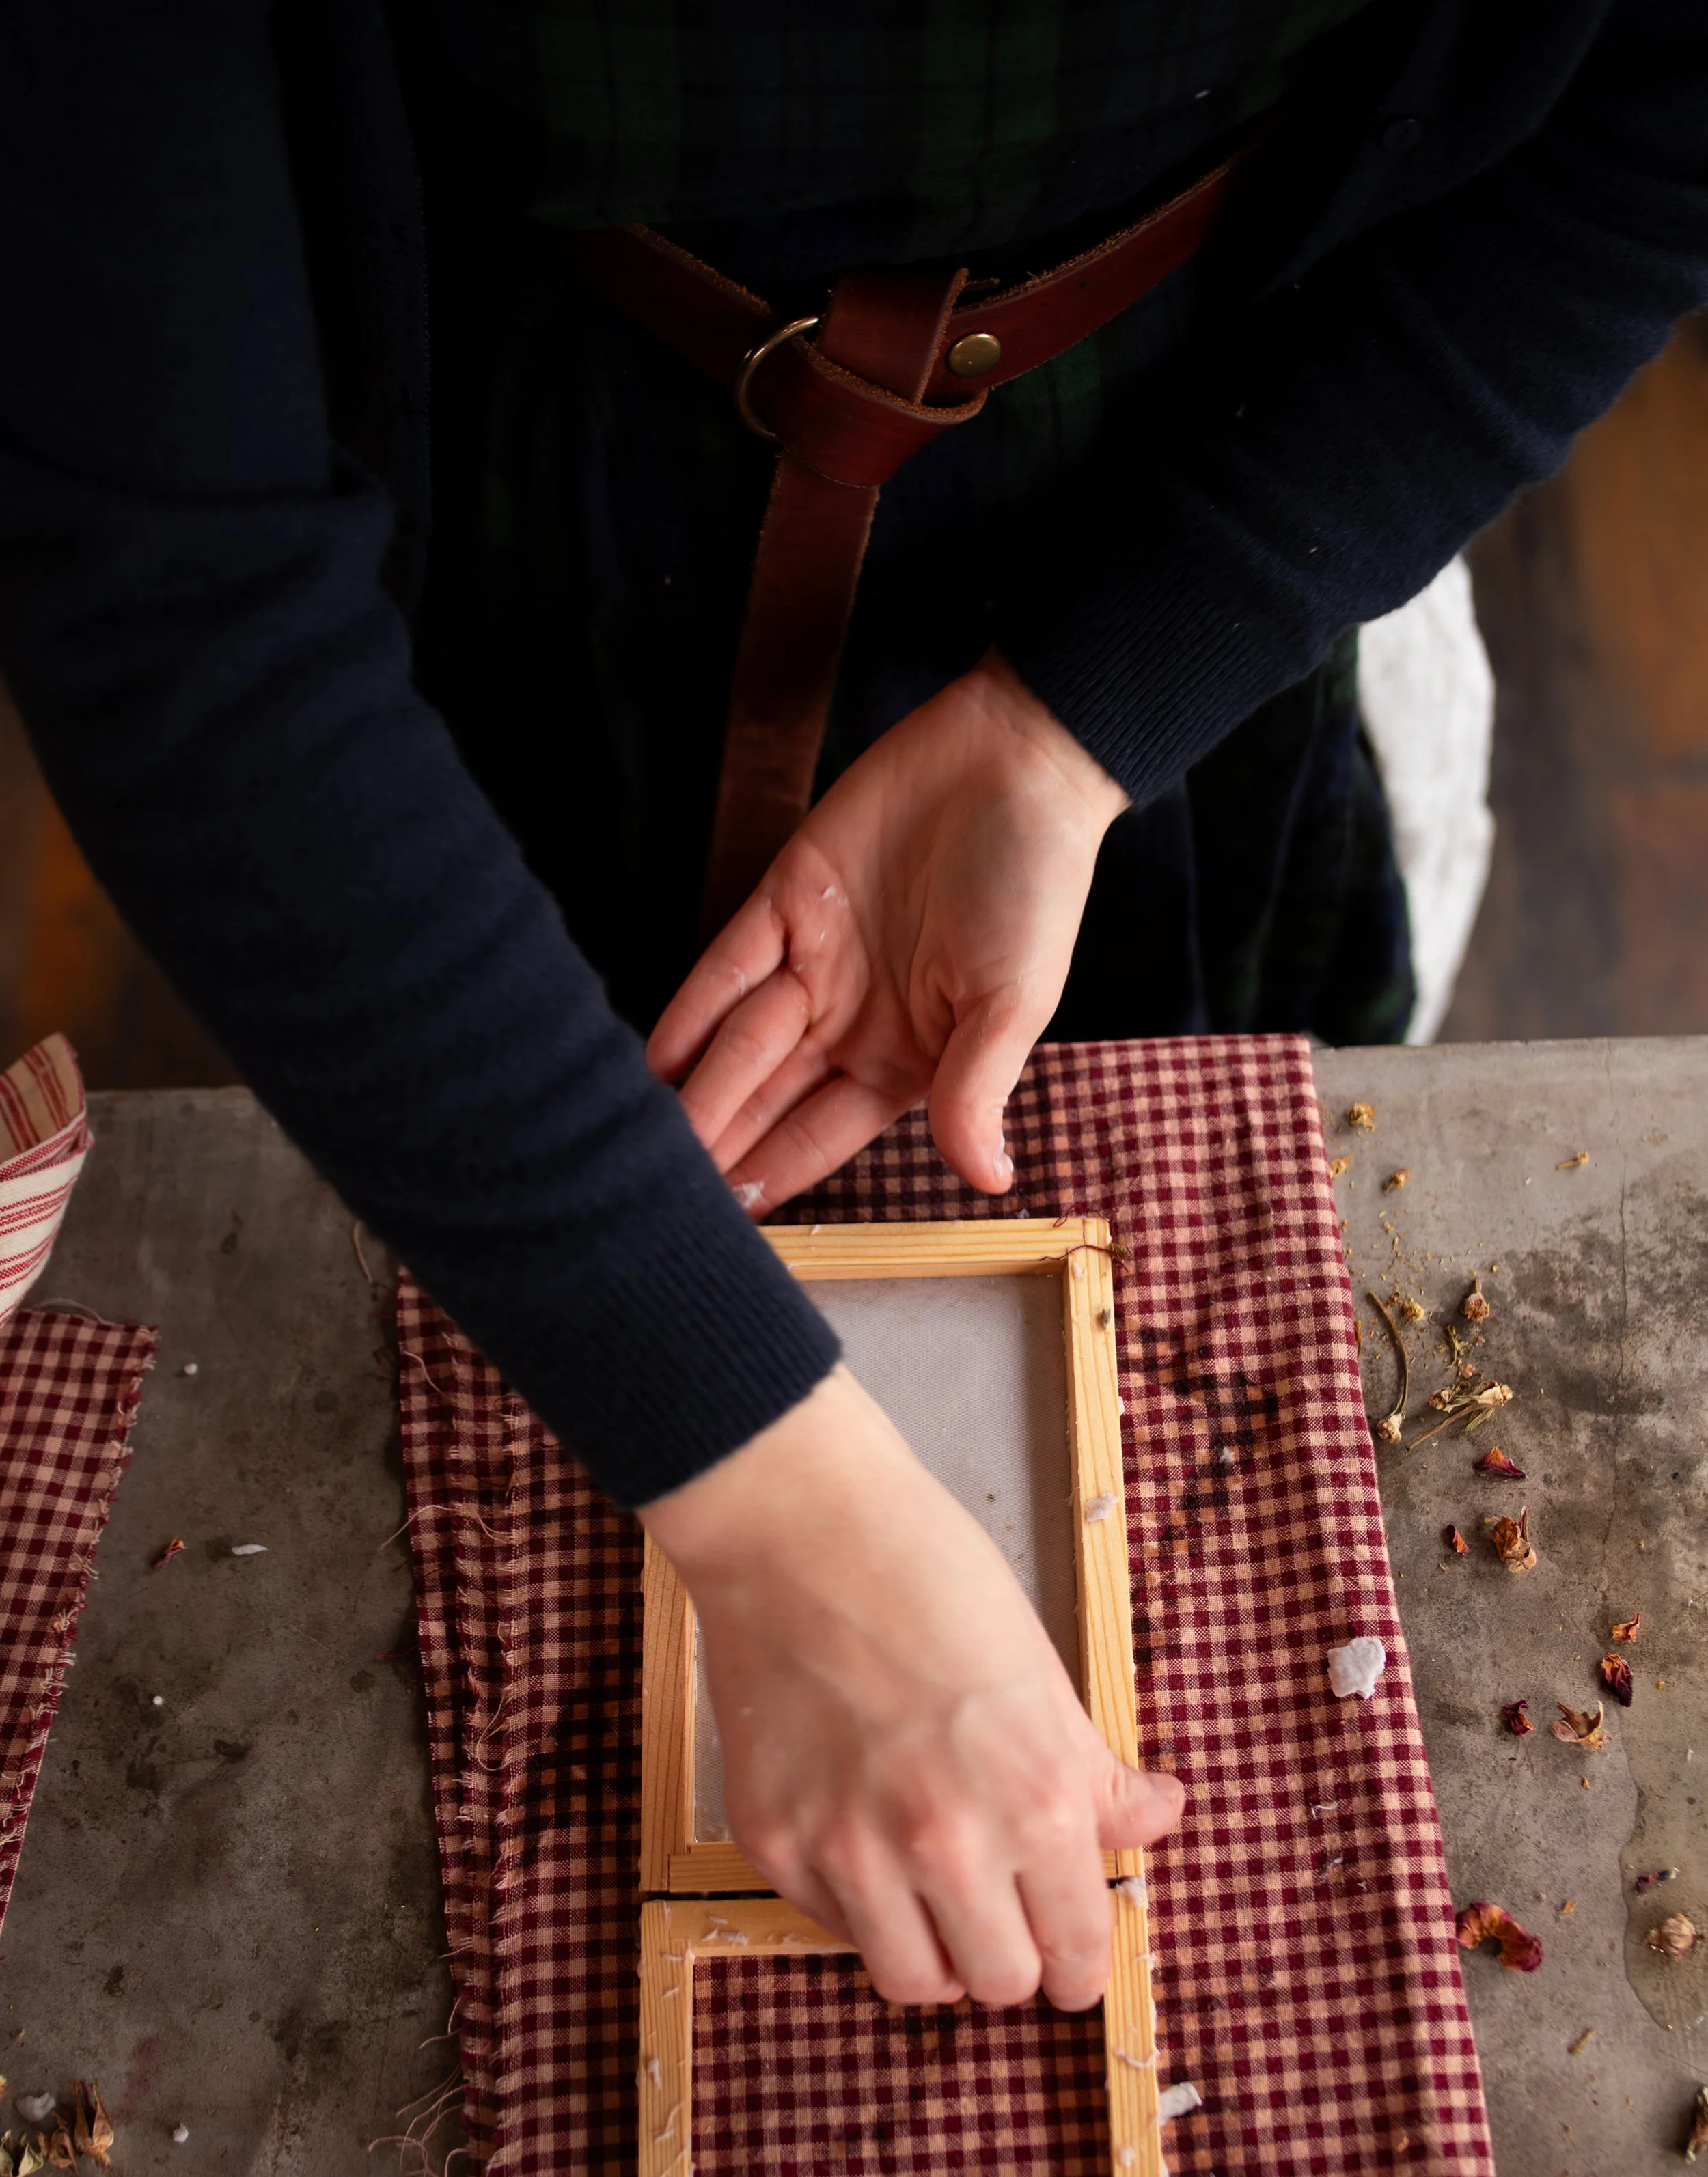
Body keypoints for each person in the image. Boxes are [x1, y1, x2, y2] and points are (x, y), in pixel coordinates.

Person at [1, 3, 1703, 2011]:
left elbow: (1653, 121)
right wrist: (784, 1514)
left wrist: (1085, 715)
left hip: (1206, 462)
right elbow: (174, 595)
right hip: (506, 488)